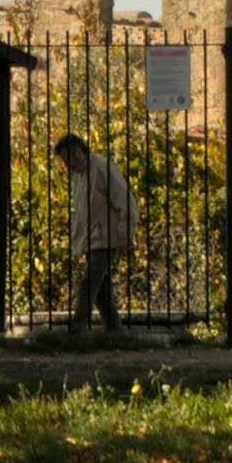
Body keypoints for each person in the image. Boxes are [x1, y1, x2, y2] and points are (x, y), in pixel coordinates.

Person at [54, 130, 137, 335]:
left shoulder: (101, 169)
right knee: (100, 290)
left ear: (79, 153)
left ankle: (77, 330)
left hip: (105, 237)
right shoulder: (83, 174)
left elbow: (127, 204)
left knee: (88, 285)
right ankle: (115, 330)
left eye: (67, 159)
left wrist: (124, 233)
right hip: (94, 237)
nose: (66, 165)